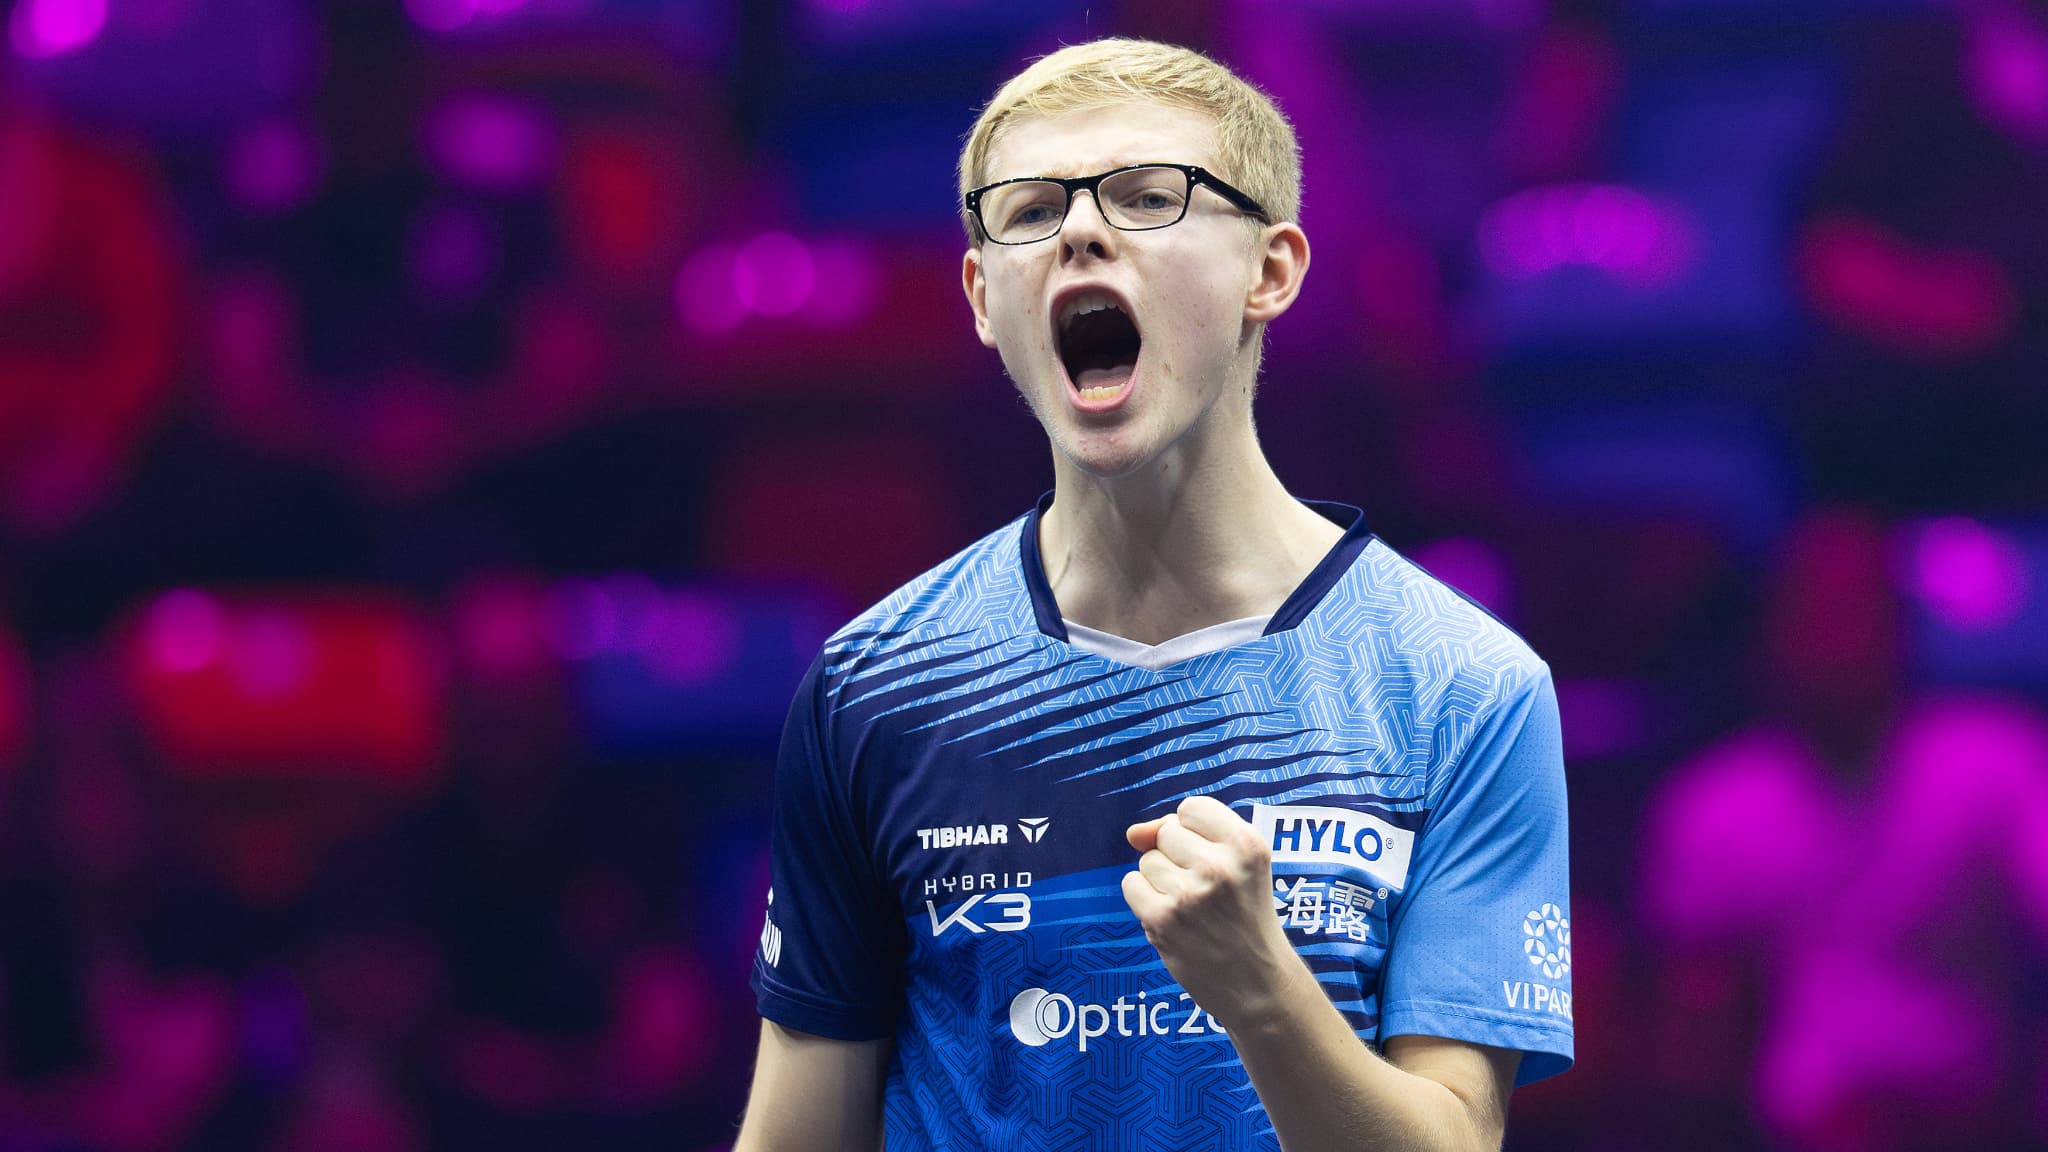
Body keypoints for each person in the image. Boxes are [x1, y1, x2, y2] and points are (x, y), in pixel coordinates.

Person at [738, 38, 1572, 1151]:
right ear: (985, 298)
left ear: (1268, 272)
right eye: (1029, 211)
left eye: (1146, 198)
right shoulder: (876, 691)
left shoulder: (1459, 688)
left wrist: (1261, 990)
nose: (1081, 230)